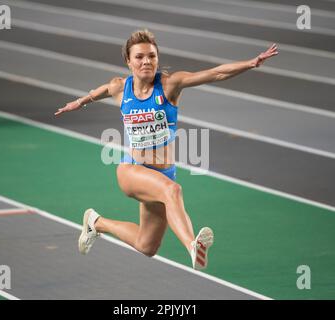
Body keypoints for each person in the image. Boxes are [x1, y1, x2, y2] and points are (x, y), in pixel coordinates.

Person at [55, 30, 278, 270]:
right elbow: (101, 91)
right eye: (139, 57)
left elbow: (215, 73)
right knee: (173, 191)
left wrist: (251, 63)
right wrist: (80, 102)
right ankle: (193, 245)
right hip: (131, 169)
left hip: (163, 173)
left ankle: (95, 222)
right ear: (128, 62)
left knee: (147, 246)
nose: (146, 61)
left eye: (152, 56)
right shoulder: (120, 87)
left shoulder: (170, 84)